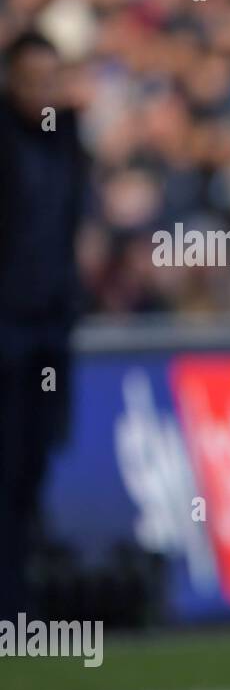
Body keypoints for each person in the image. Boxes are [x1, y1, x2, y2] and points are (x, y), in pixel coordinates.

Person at [0, 31, 87, 618]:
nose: (42, 92)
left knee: (33, 464)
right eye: (32, 79)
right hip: (5, 326)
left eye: (50, 78)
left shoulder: (67, 143)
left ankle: (20, 598)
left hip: (51, 329)